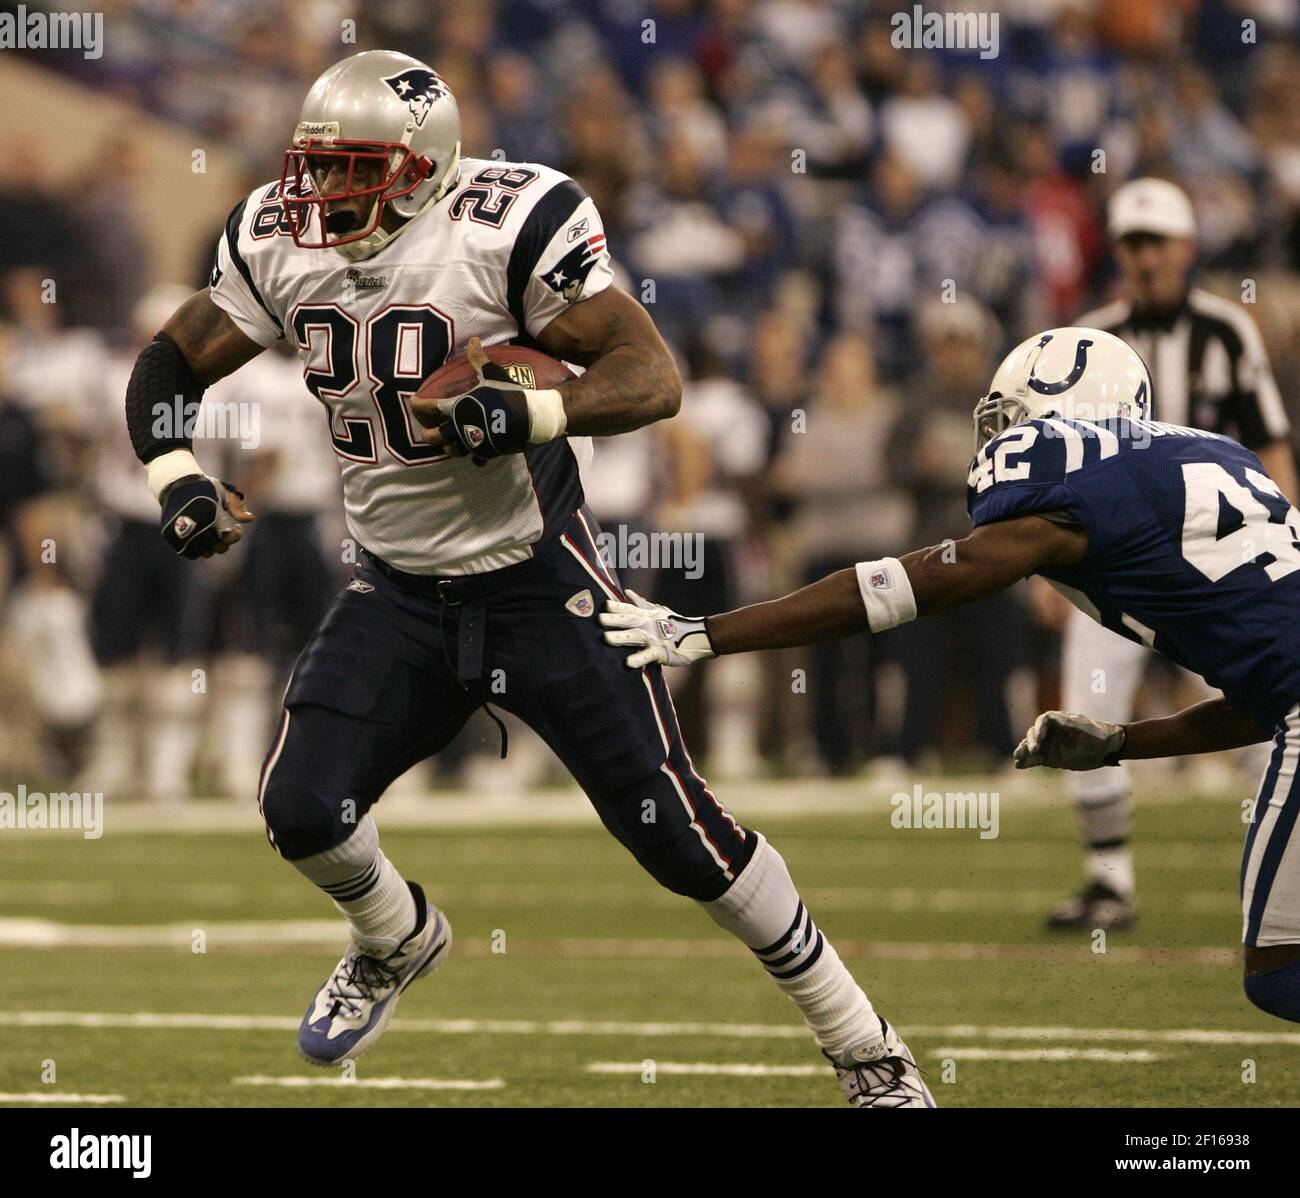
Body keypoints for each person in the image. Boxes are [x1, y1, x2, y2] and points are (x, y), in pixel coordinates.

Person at [122, 51, 933, 1108]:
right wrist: (177, 476)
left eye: (349, 169)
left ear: (423, 168)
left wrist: (531, 410)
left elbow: (651, 376)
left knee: (677, 834)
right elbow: (167, 363)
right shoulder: (277, 236)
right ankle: (395, 936)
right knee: (301, 808)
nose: (318, 194)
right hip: (396, 589)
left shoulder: (509, 221)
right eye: (314, 166)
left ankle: (865, 1045)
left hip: (535, 581)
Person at [603, 326, 1300, 1027]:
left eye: (1012, 418)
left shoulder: (1079, 477)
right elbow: (1266, 701)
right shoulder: (1217, 459)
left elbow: (906, 587)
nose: (1000, 439)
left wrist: (703, 633)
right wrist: (1120, 744)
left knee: (1278, 975)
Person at [1047, 176, 1299, 931]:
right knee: (1084, 711)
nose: (1145, 258)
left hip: (1216, 562)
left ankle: (1281, 874)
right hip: (1115, 564)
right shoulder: (1089, 340)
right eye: (1132, 244)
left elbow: (1271, 441)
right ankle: (1109, 881)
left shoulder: (1226, 331)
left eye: (1157, 242)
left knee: (1262, 717)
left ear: (1188, 248)